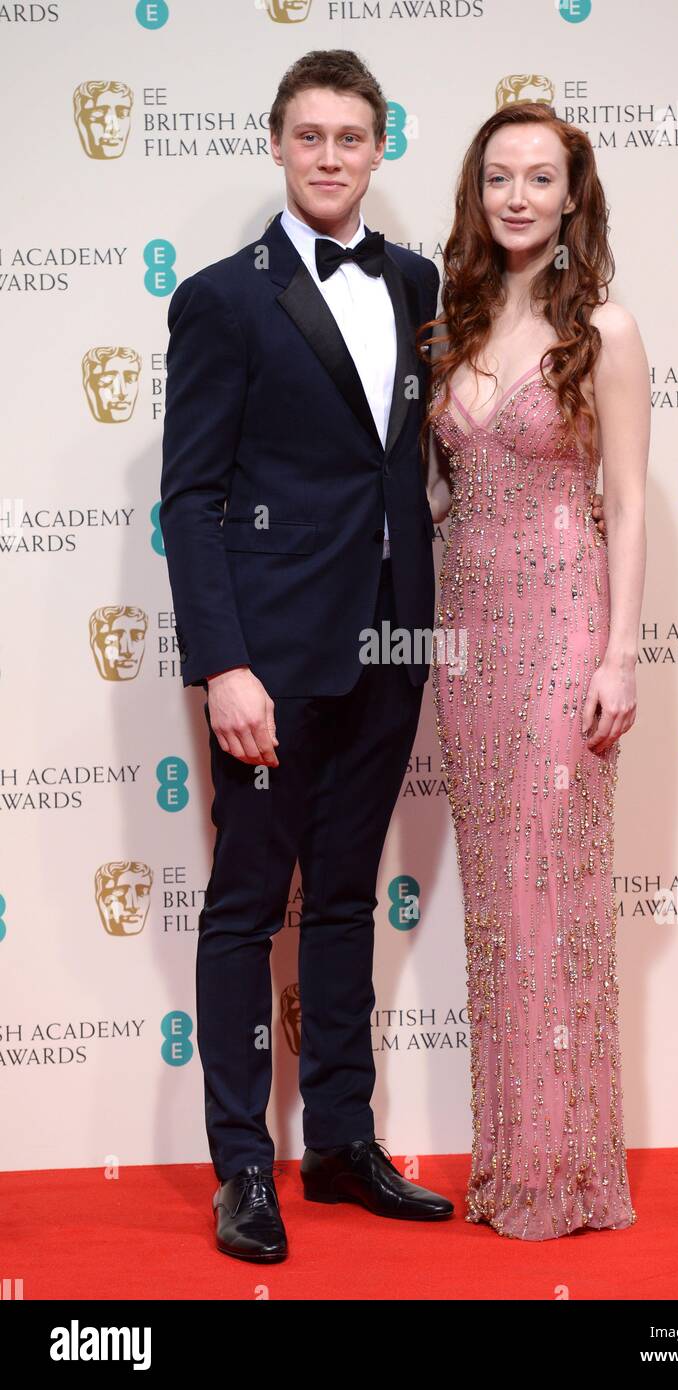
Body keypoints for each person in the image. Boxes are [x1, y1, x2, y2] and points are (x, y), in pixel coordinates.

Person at [159, 49, 457, 1263]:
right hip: (272, 660)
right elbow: (191, 500)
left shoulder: (422, 281)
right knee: (245, 911)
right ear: (277, 145)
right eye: (311, 136)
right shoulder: (227, 298)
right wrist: (224, 665)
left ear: (380, 149)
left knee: (344, 899)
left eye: (353, 137)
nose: (332, 157)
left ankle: (339, 1137)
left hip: (394, 640)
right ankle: (243, 1165)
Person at [423, 103, 649, 1240]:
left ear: (572, 197)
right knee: (500, 913)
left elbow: (631, 503)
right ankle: (511, 1163)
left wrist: (620, 651)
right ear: (481, 193)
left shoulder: (603, 327)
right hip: (466, 642)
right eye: (499, 176)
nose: (518, 195)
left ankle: (566, 1173)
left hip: (566, 629)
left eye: (540, 177)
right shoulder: (450, 326)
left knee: (552, 896)